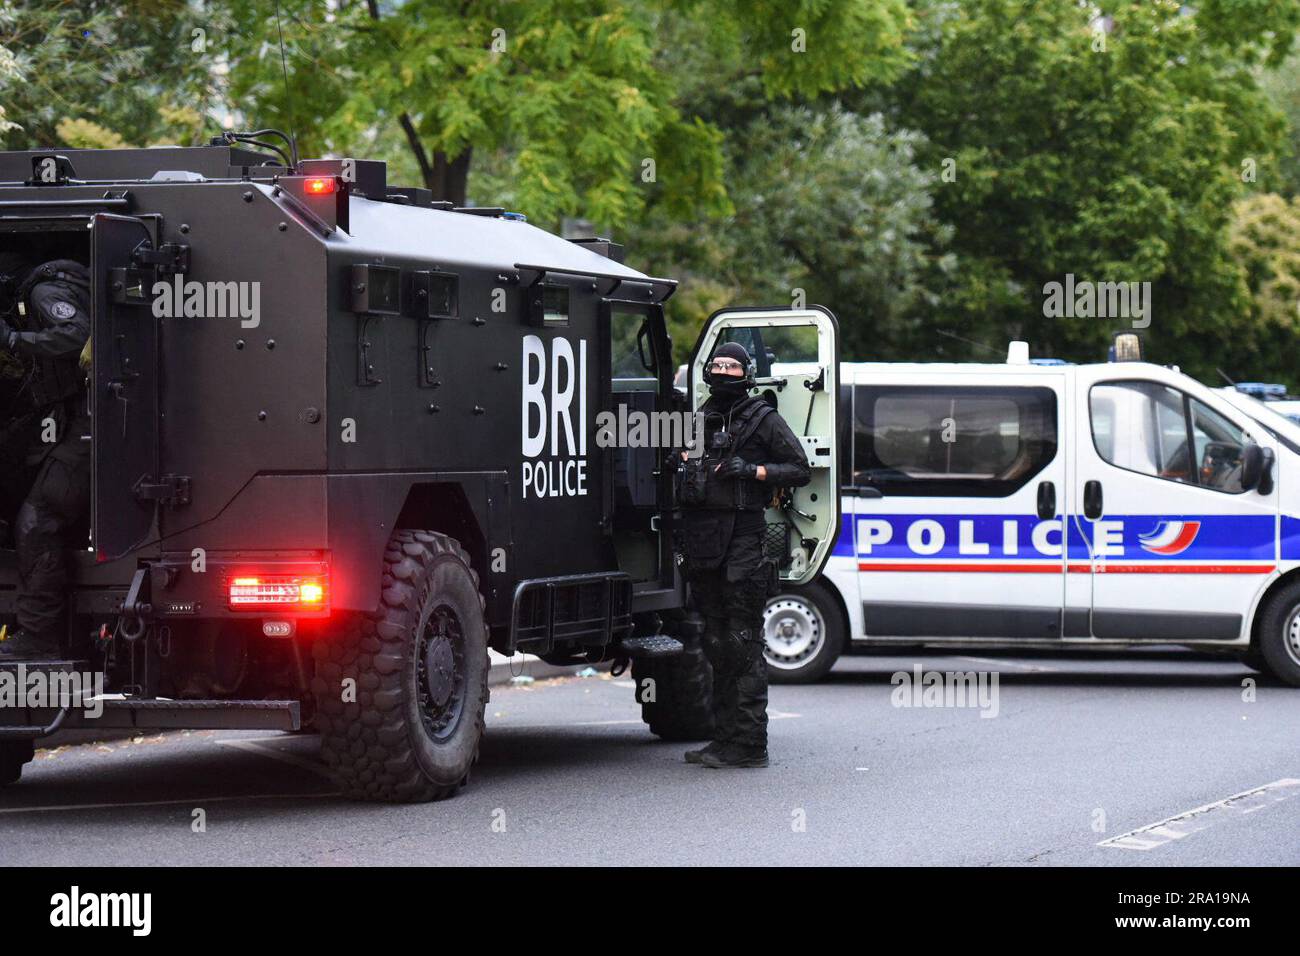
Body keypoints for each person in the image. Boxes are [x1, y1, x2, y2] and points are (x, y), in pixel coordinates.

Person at [676, 341, 810, 768]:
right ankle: (723, 739)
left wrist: (753, 471)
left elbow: (800, 468)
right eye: (717, 365)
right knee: (715, 641)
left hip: (743, 541)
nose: (723, 371)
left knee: (742, 640)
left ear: (746, 374)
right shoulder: (700, 419)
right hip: (703, 542)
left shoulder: (763, 419)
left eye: (731, 366)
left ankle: (750, 745)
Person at [0, 256, 92, 661]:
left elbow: (77, 333)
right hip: (74, 419)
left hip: (90, 424)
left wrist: (14, 341)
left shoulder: (43, 292)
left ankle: (38, 637)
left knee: (38, 520)